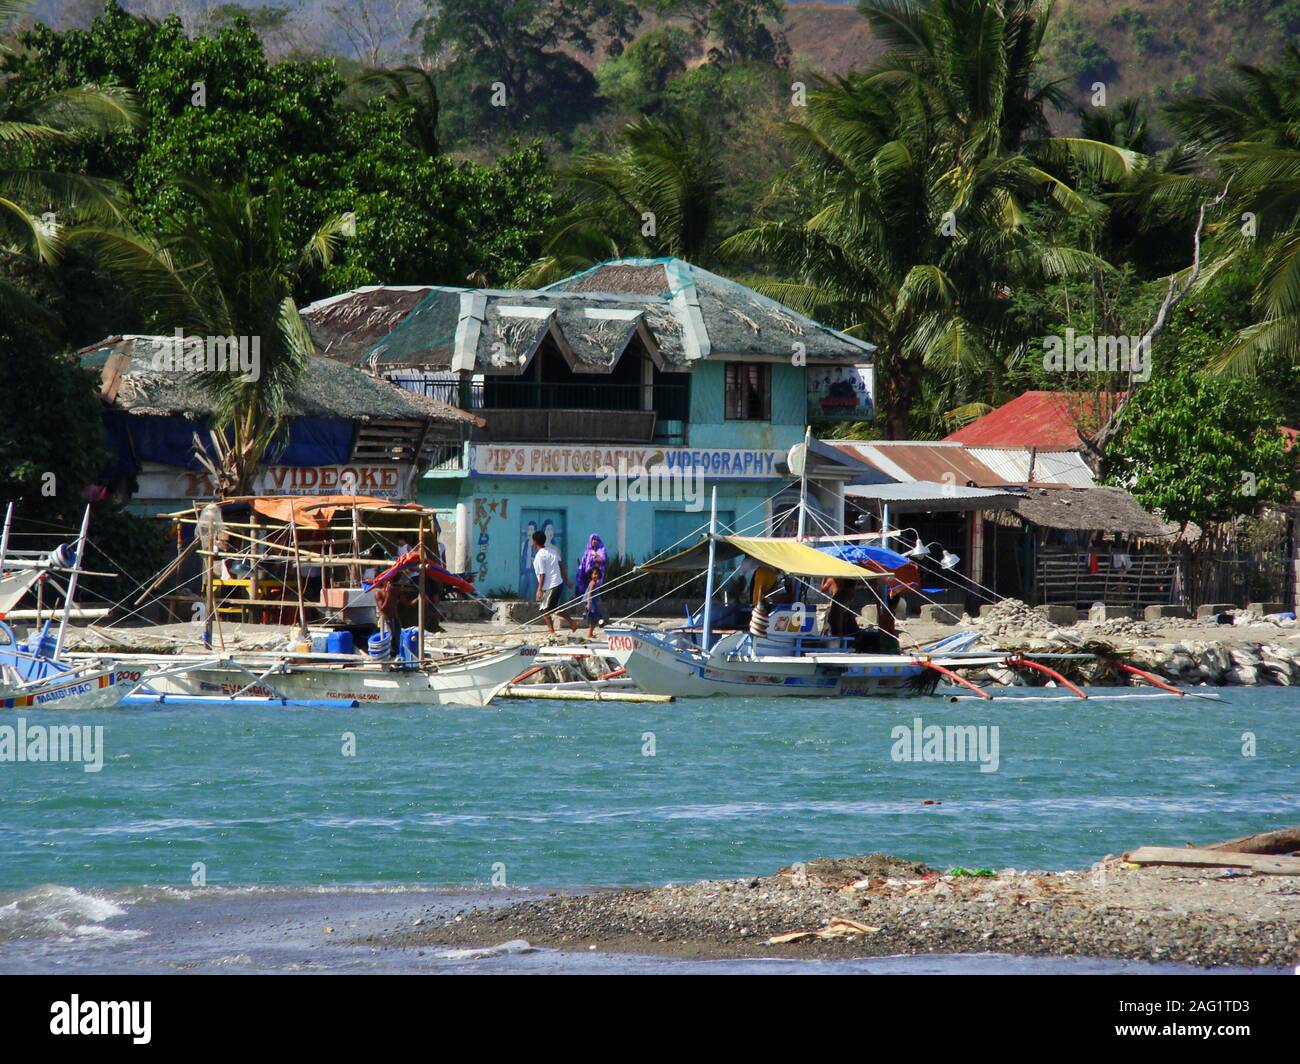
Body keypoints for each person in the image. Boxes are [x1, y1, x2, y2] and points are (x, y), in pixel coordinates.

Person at [532, 529, 577, 635]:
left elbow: (542, 574)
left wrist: (539, 589)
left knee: (548, 609)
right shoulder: (552, 551)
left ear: (535, 542)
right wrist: (566, 580)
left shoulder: (540, 556)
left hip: (552, 585)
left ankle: (570, 623)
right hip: (557, 583)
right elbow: (562, 566)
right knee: (545, 609)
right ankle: (552, 631)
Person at [576, 534, 608, 639]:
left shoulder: (600, 550)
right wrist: (589, 602)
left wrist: (596, 555)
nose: (594, 541)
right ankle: (590, 632)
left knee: (594, 616)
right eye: (593, 539)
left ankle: (591, 632)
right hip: (590, 600)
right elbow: (584, 563)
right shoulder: (588, 551)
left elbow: (603, 560)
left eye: (596, 539)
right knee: (594, 616)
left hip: (592, 599)